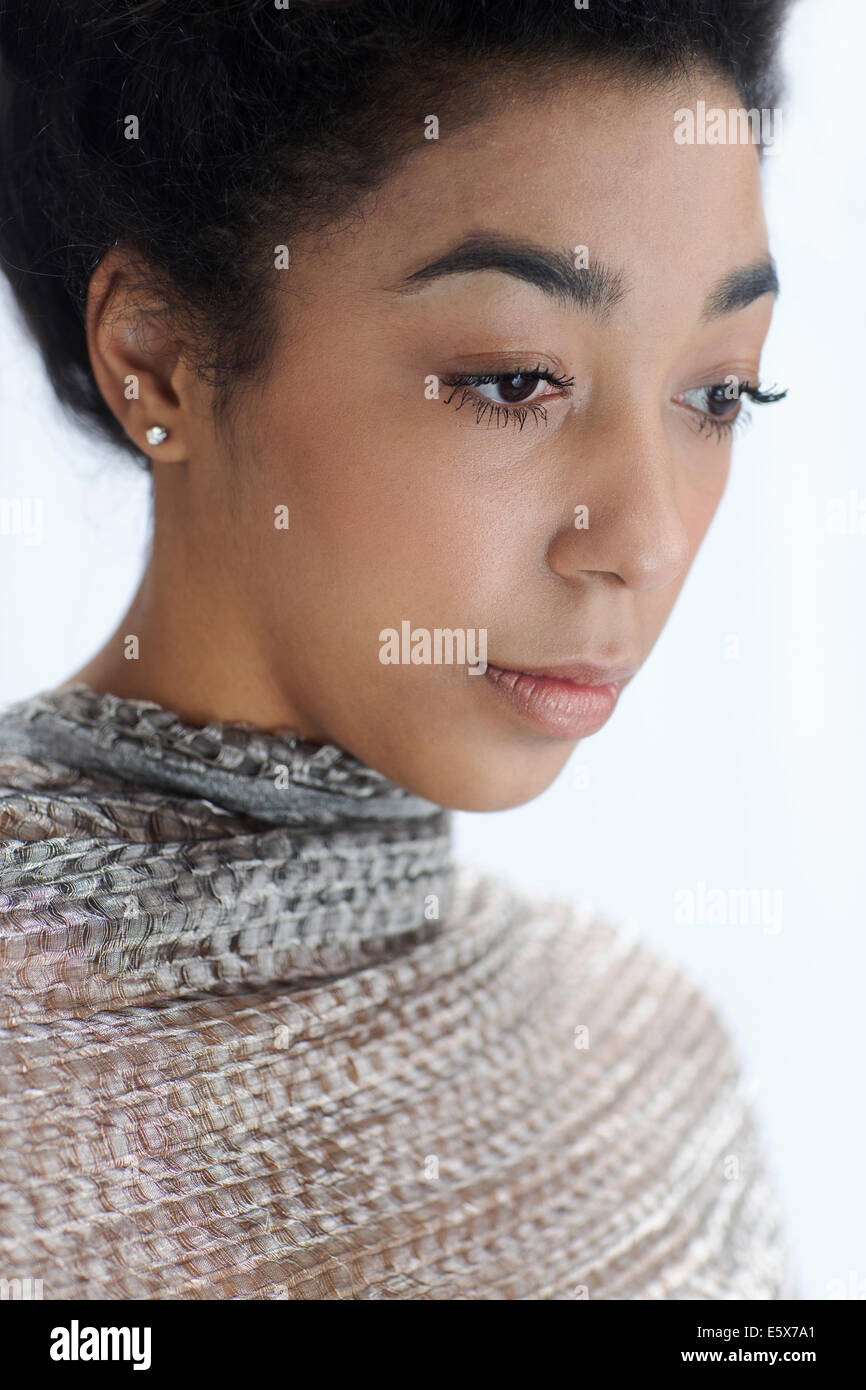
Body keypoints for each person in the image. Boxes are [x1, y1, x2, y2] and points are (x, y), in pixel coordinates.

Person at [0, 0, 796, 1298]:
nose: (642, 539)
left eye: (717, 393)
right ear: (156, 358)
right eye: (512, 380)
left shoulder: (651, 1071)